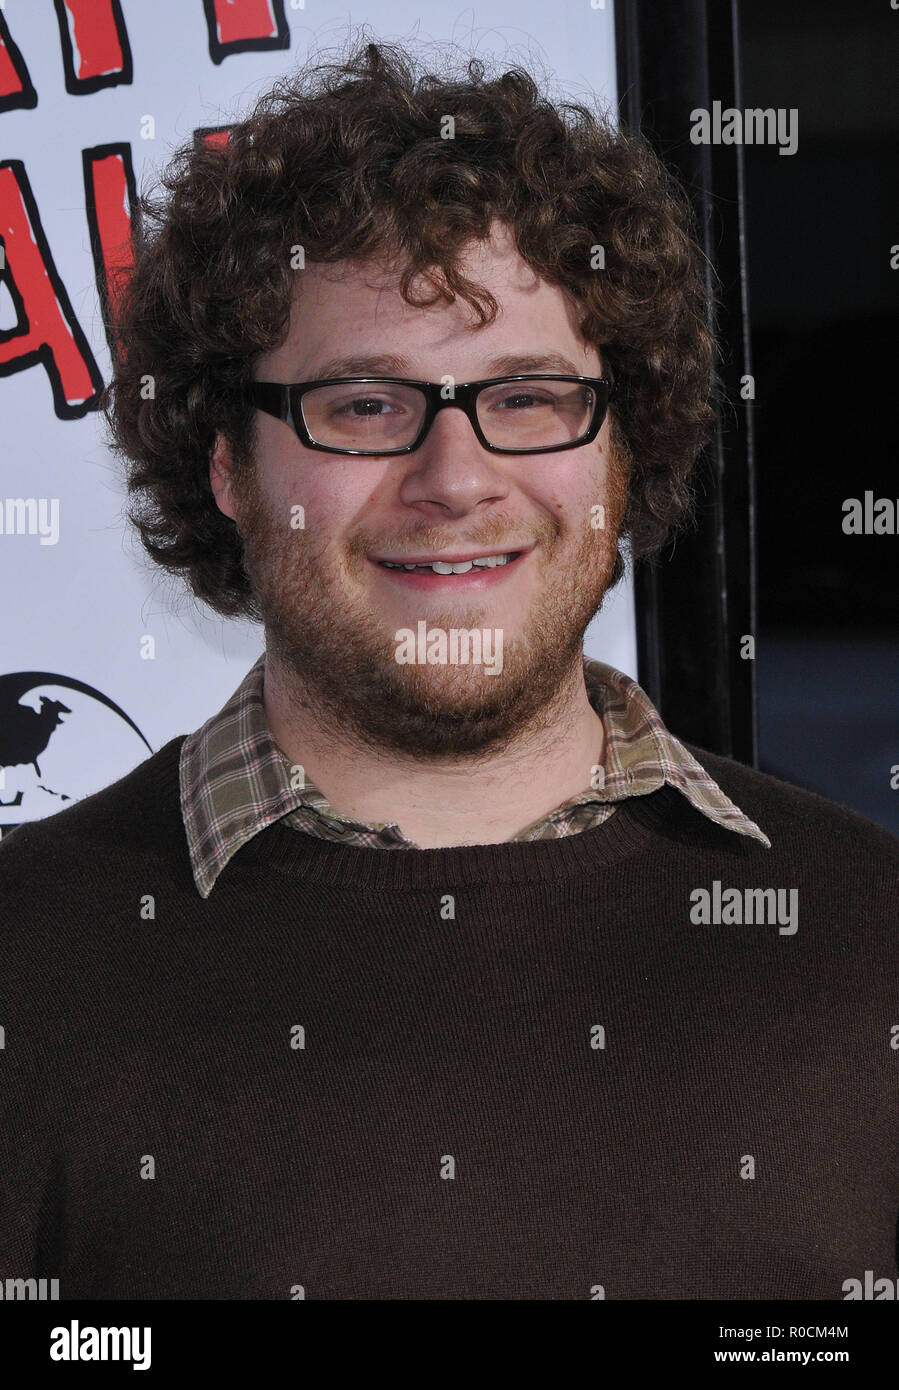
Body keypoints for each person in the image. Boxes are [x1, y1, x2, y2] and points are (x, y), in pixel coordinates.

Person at [1, 39, 896, 1302]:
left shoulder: (872, 939)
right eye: (363, 405)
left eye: (527, 397)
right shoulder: (25, 968)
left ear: (621, 449)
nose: (455, 477)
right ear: (226, 465)